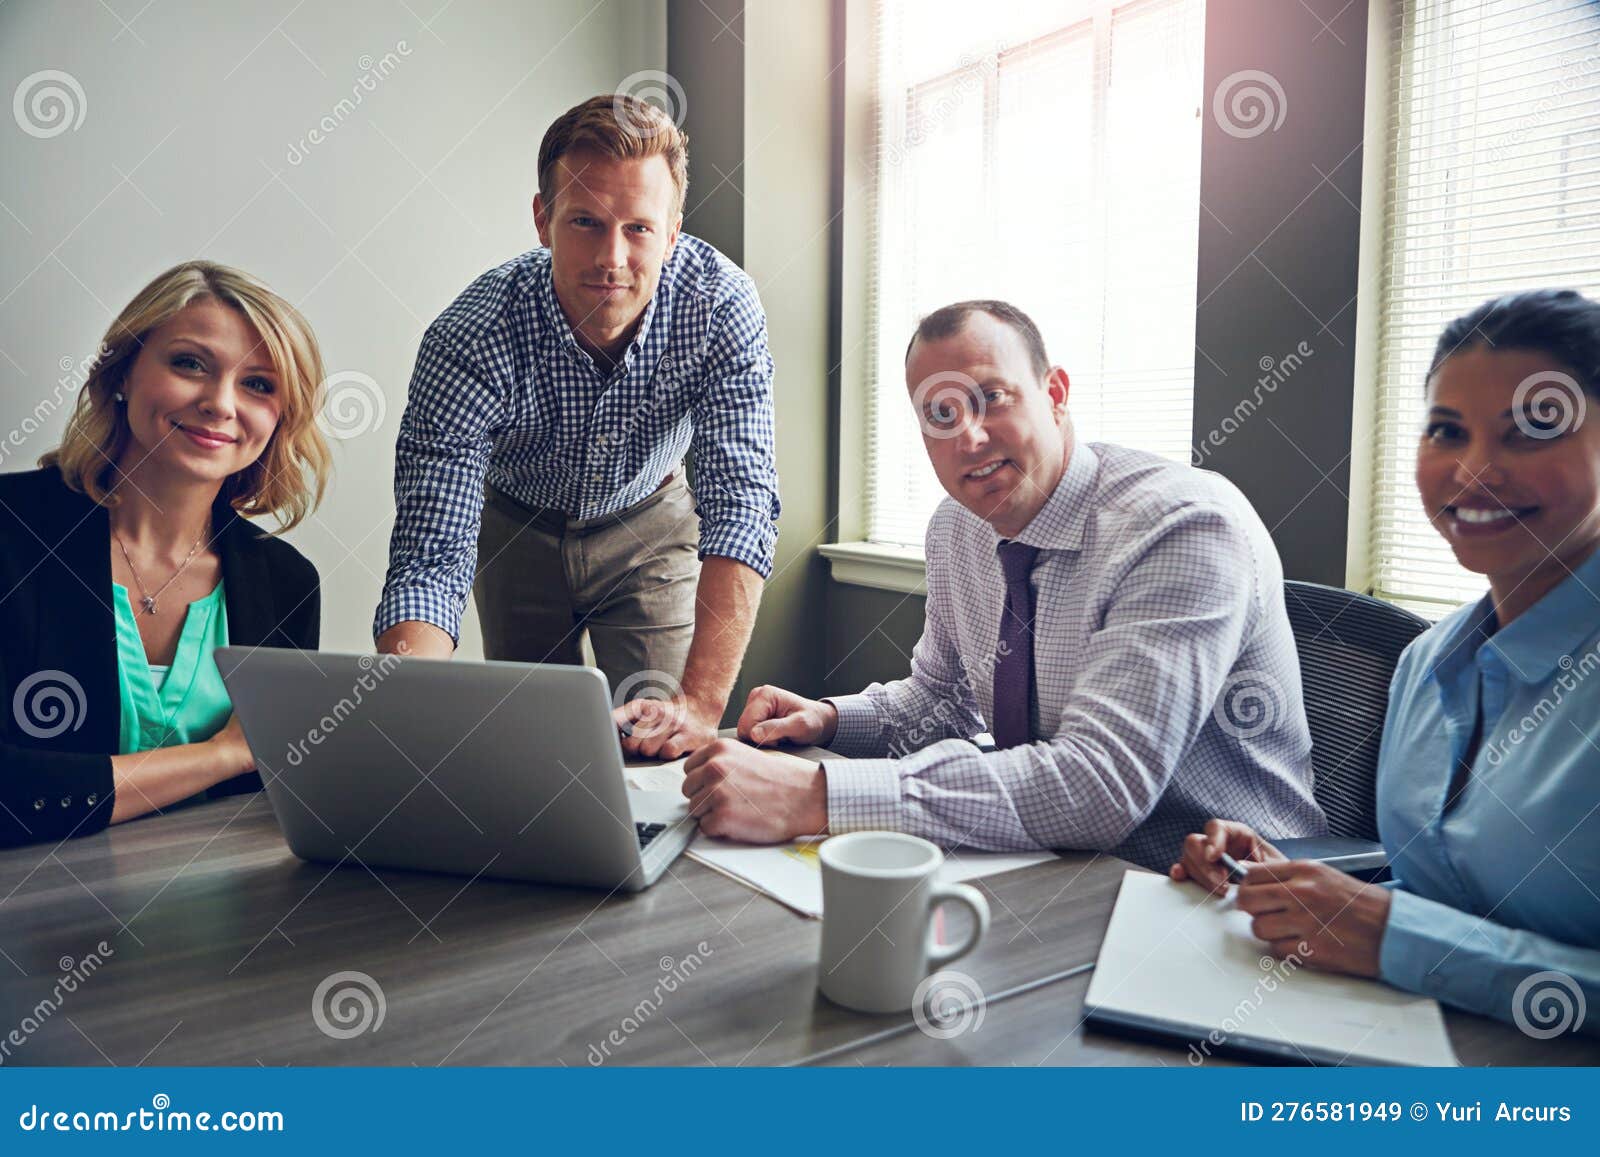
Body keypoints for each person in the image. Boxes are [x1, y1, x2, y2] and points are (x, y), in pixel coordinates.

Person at [680, 300, 1325, 870]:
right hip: (1055, 868)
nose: (968, 437)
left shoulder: (1179, 528)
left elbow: (1099, 788)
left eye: (992, 397)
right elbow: (940, 700)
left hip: (1229, 898)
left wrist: (816, 797)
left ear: (1057, 392)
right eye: (941, 415)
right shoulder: (957, 530)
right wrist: (826, 720)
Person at [1172, 289, 1600, 1035]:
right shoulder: (1426, 662)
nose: (1472, 472)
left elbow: (1436, 934)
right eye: (1447, 430)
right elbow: (1456, 896)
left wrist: (1395, 936)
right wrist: (1298, 883)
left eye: (1534, 428)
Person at [373, 94, 780, 760]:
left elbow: (741, 504)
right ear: (543, 218)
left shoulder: (721, 306)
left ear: (674, 230)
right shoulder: (469, 336)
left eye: (639, 229)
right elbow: (432, 555)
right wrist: (407, 713)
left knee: (660, 747)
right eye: (586, 222)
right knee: (534, 756)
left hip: (650, 525)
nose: (611, 258)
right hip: (515, 529)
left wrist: (701, 709)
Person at [0, 260, 330, 848]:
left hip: (226, 919)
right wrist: (225, 754)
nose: (220, 403)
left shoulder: (286, 582)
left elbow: (276, 803)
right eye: (190, 363)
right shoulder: (11, 531)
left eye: (258, 383)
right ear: (123, 371)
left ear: (280, 417)